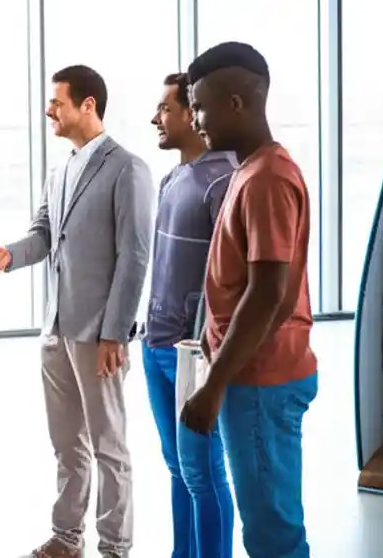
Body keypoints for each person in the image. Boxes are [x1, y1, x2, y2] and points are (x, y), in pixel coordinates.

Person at [0, 65, 153, 558]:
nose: (49, 110)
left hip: (99, 334)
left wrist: (115, 333)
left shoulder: (127, 168)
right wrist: (9, 255)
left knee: (108, 447)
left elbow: (135, 255)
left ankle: (115, 547)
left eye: (57, 102)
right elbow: (44, 235)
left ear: (87, 105)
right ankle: (67, 538)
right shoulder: (60, 172)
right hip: (56, 328)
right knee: (67, 444)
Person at [179, 42, 318, 558]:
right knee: (265, 523)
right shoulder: (250, 170)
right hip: (252, 375)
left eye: (200, 107)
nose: (195, 120)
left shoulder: (267, 179)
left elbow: (267, 295)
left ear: (235, 103)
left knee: (272, 534)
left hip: (261, 381)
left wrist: (213, 386)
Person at [144, 72, 237, 558]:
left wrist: (206, 348)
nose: (155, 118)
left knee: (203, 472)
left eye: (165, 108)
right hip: (154, 344)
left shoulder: (224, 180)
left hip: (192, 352)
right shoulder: (172, 178)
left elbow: (234, 277)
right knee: (178, 468)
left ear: (192, 113)